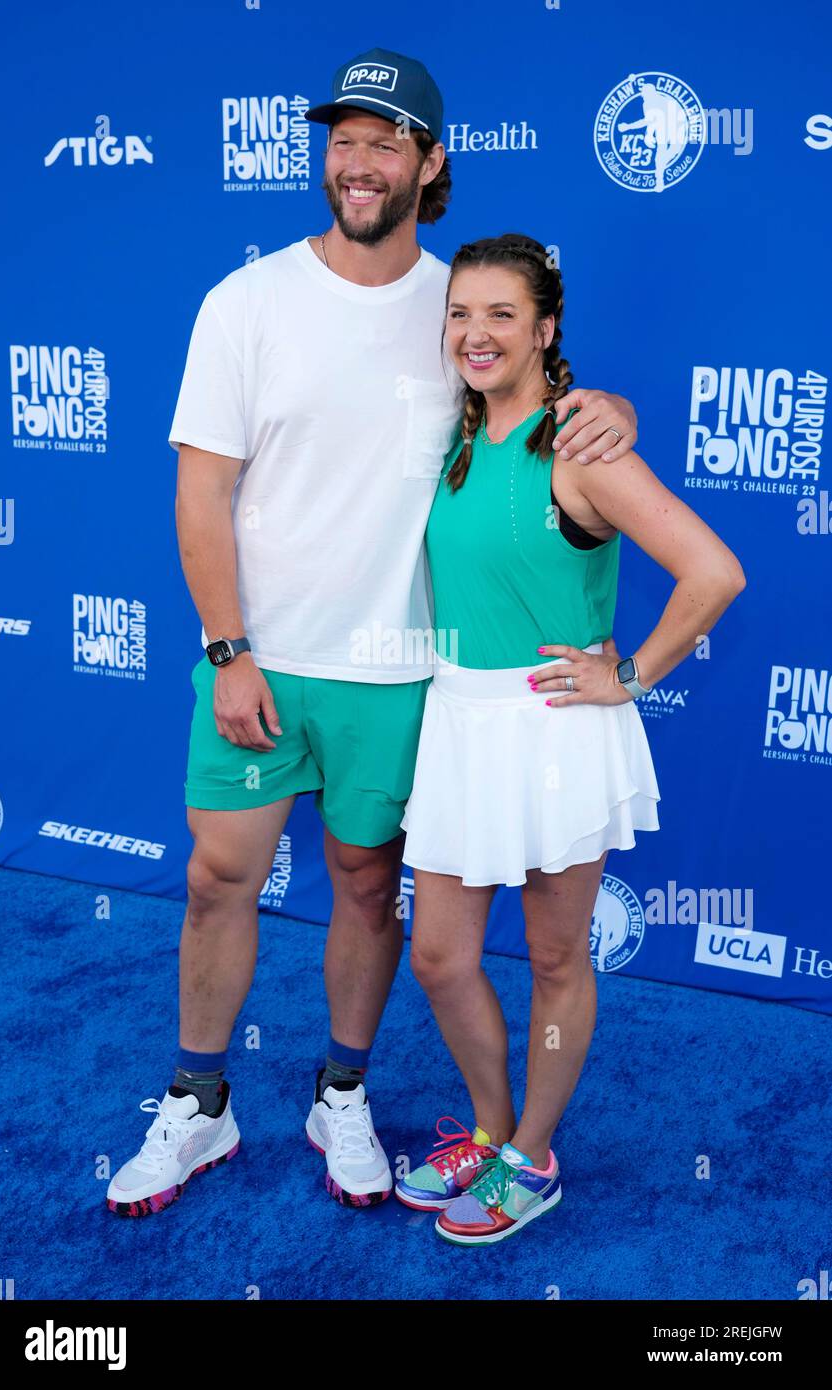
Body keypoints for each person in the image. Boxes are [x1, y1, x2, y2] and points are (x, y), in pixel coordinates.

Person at [106, 51, 639, 1218]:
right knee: (217, 878)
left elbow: (537, 416)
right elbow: (201, 494)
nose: (357, 160)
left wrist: (610, 410)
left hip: (403, 678)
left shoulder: (460, 310)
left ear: (429, 163)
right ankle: (199, 1102)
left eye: (385, 140)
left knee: (363, 885)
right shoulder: (244, 301)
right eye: (342, 138)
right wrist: (225, 647)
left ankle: (338, 1093)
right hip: (258, 660)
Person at [395, 233, 746, 1246]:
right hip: (458, 721)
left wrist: (627, 672)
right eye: (459, 312)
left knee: (554, 959)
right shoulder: (456, 437)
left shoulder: (578, 447)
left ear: (544, 330)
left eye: (501, 314)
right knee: (441, 955)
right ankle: (494, 1131)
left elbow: (712, 571)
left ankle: (532, 1158)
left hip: (550, 725)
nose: (474, 332)